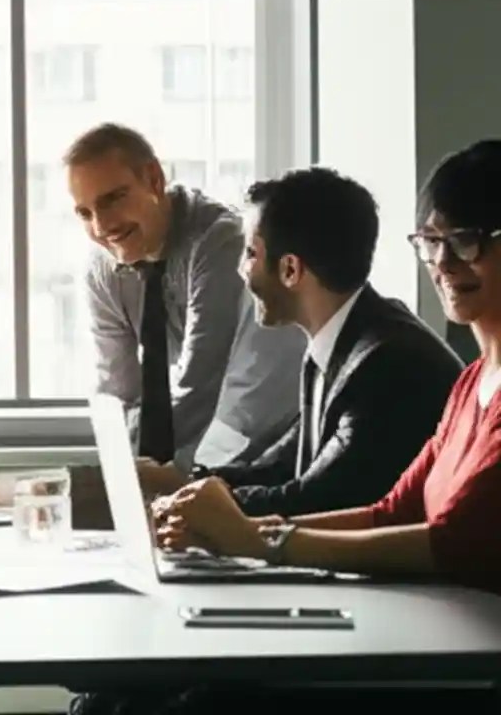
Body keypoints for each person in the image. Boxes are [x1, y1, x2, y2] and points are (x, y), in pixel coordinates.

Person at [133, 140, 501, 713]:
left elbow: (445, 542)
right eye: (432, 242)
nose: (444, 263)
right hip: (432, 636)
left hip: (461, 669)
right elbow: (391, 510)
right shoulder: (472, 382)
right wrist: (209, 508)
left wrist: (251, 538)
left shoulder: (389, 359)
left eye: (467, 241)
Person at [137, 168, 462, 516]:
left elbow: (316, 500)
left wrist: (187, 505)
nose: (241, 270)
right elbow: (278, 468)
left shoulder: (388, 364)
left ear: (290, 270)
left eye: (250, 253)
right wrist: (184, 484)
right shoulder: (338, 341)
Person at [67, 123, 305, 473]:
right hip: (205, 448)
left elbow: (201, 385)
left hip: (271, 442)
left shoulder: (220, 241)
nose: (102, 227)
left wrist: (159, 477)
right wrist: (125, 476)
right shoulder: (102, 269)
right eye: (85, 213)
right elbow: (116, 395)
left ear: (154, 179)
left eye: (113, 199)